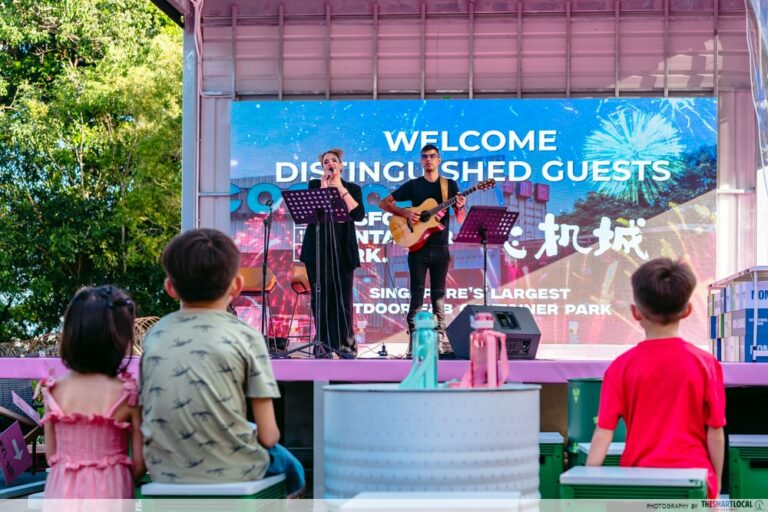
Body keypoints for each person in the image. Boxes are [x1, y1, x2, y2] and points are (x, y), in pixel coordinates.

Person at [140, 228, 304, 495]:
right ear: (237, 285)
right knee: (289, 465)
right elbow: (269, 435)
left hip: (165, 473)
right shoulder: (247, 337)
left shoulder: (154, 335)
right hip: (234, 472)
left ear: (170, 288)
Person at [586, 258, 726, 499]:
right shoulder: (706, 364)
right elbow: (715, 431)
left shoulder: (620, 367)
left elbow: (604, 432)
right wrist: (716, 484)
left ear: (635, 312)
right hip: (693, 481)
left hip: (638, 484)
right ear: (687, 310)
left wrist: (587, 483)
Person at [41, 285, 145, 499]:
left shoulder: (54, 390)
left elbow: (51, 455)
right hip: (112, 494)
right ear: (120, 340)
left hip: (61, 494)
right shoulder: (127, 394)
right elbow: (139, 465)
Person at [379, 144, 466, 355]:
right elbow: (384, 203)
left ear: (439, 160)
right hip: (417, 249)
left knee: (439, 296)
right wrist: (406, 214)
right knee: (416, 294)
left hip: (441, 248)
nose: (428, 160)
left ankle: (439, 343)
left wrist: (461, 206)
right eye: (425, 156)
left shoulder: (449, 185)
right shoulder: (414, 185)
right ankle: (413, 344)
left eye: (433, 156)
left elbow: (460, 218)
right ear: (421, 161)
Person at [299, 148, 365, 358]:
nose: (330, 164)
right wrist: (325, 187)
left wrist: (339, 188)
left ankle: (345, 345)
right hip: (317, 249)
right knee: (321, 297)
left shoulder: (353, 188)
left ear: (340, 165)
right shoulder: (315, 186)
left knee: (343, 299)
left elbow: (358, 214)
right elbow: (311, 214)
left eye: (333, 161)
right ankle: (323, 345)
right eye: (326, 161)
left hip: (342, 250)